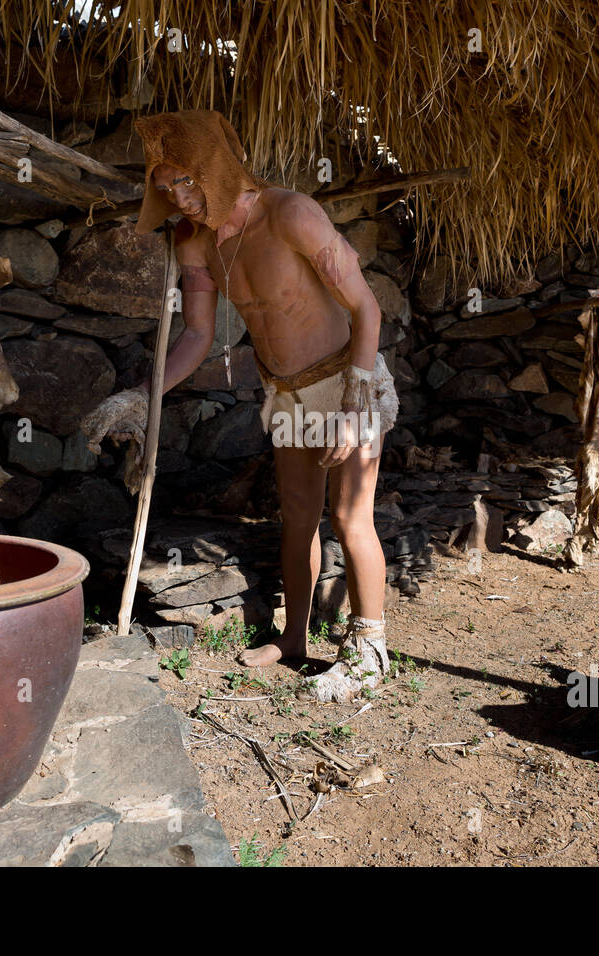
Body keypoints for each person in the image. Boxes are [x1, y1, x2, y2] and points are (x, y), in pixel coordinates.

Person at [80, 110, 399, 703]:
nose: (179, 198)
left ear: (215, 168)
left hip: (347, 381)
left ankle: (367, 652)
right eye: (165, 187)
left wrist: (357, 406)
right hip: (286, 391)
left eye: (187, 181)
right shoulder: (192, 238)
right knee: (298, 518)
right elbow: (198, 336)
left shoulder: (291, 214)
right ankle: (295, 638)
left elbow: (366, 309)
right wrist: (141, 397)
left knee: (350, 519)